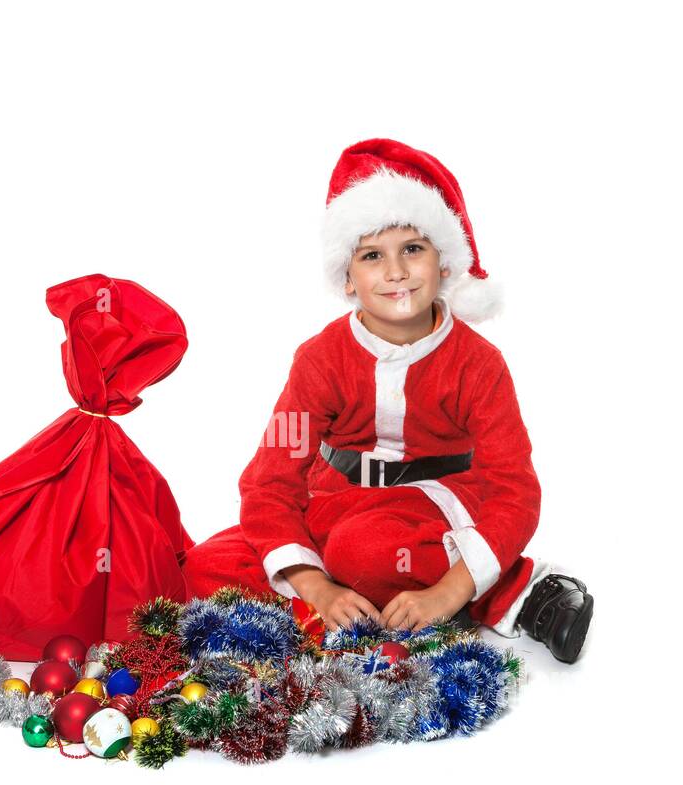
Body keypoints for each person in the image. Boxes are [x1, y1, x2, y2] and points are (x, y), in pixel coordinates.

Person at [181, 138, 593, 663]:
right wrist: (315, 585)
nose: (396, 272)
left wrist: (446, 593)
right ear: (347, 277)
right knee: (206, 567)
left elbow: (514, 488)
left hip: (435, 501)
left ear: (444, 264)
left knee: (367, 552)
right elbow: (269, 480)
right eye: (373, 255)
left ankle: (516, 589)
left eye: (413, 250)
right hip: (334, 501)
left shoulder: (479, 363)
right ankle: (349, 602)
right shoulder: (318, 359)